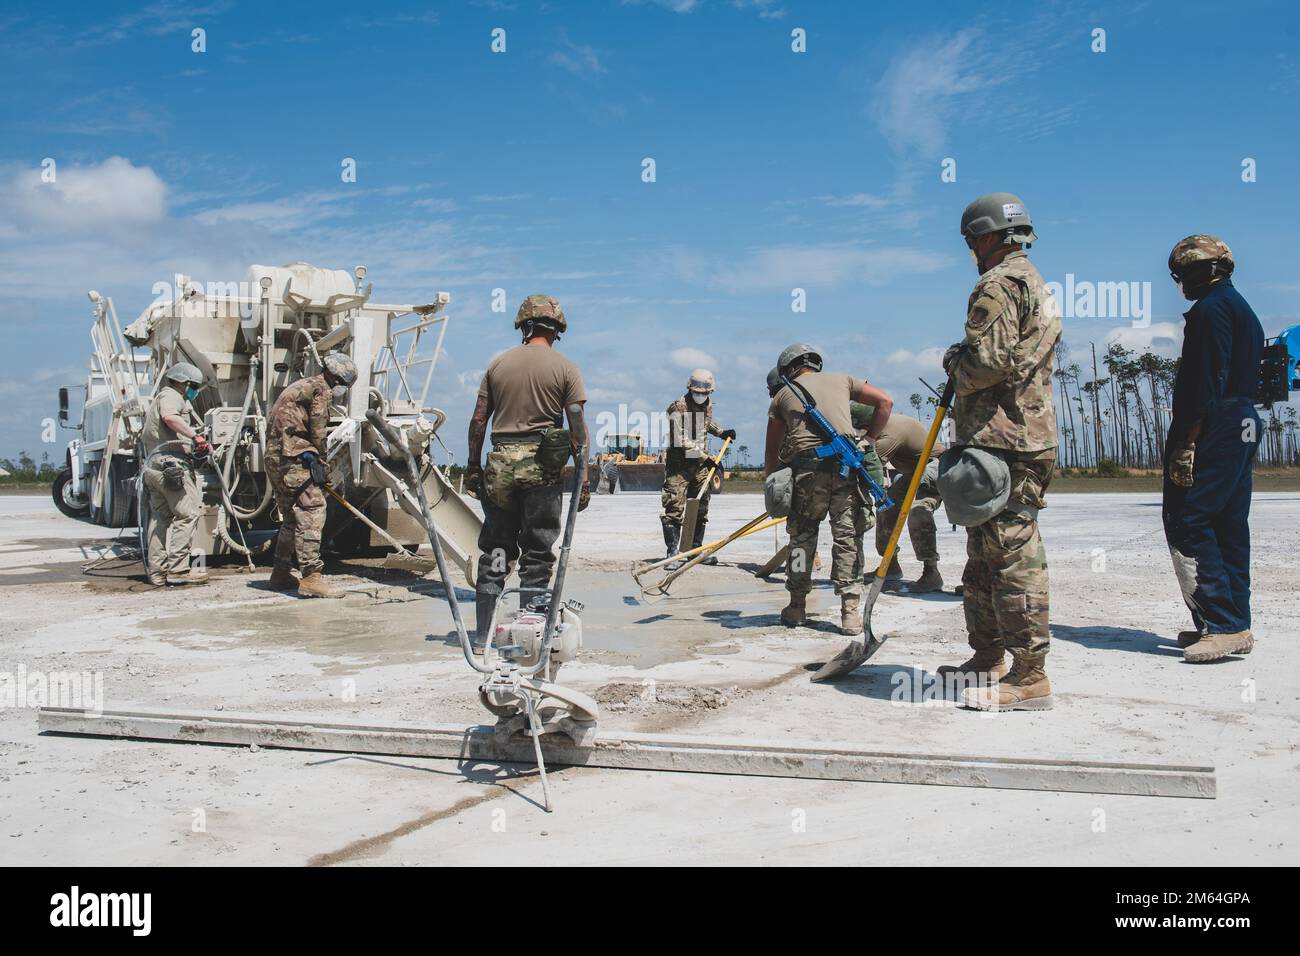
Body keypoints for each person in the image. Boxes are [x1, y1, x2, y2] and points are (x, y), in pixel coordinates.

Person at [938, 191, 1061, 712]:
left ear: (986, 237)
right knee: (985, 556)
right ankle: (987, 655)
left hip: (1004, 439)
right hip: (1012, 438)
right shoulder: (1035, 282)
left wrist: (954, 364)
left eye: (971, 239)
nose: (970, 248)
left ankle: (1029, 675)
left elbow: (987, 363)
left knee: (1011, 555)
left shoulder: (998, 284)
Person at [1162, 235, 1263, 663]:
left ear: (1200, 271)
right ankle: (1232, 622)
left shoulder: (1209, 311)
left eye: (1183, 274)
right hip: (1242, 418)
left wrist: (1186, 441)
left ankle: (1220, 623)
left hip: (1215, 422)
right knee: (1228, 523)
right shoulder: (1244, 309)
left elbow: (1203, 382)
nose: (1181, 282)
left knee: (1189, 519)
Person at [465, 294, 589, 641]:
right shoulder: (566, 368)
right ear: (558, 329)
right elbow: (576, 421)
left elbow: (478, 422)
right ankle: (529, 631)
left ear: (523, 325)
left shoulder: (497, 365)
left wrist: (474, 467)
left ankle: (482, 633)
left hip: (500, 465)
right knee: (538, 549)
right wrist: (584, 476)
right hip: (541, 469)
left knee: (497, 547)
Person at [765, 344, 893, 634]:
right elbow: (885, 402)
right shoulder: (844, 380)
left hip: (807, 476)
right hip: (846, 473)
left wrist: (772, 484)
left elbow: (772, 450)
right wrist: (870, 439)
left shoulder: (783, 395)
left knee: (802, 540)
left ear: (789, 368)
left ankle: (797, 606)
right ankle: (850, 613)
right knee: (847, 538)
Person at [265, 351, 358, 598]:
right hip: (294, 457)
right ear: (337, 380)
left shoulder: (300, 385)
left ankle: (281, 572)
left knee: (291, 519)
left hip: (275, 458)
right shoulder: (319, 390)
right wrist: (322, 463)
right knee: (313, 510)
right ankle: (311, 577)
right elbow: (318, 431)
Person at [852, 405, 945, 593]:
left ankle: (931, 572)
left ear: (865, 424)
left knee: (918, 511)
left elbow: (869, 465)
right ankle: (891, 565)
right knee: (886, 508)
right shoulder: (883, 426)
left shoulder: (889, 435)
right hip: (913, 473)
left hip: (936, 470)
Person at [140, 362, 210, 586]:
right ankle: (178, 570)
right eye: (193, 386)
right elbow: (170, 417)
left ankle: (157, 572)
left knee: (161, 518)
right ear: (183, 382)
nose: (194, 391)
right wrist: (195, 437)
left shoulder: (161, 396)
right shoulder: (171, 396)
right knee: (187, 515)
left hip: (154, 465)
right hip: (171, 466)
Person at [661, 369, 736, 566]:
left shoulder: (707, 405)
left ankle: (694, 551)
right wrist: (705, 456)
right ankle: (672, 553)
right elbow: (680, 439)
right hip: (679, 466)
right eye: (698, 392)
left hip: (699, 466)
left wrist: (721, 432)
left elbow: (705, 424)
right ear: (689, 389)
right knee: (674, 507)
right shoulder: (677, 408)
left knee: (701, 507)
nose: (702, 396)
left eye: (706, 393)